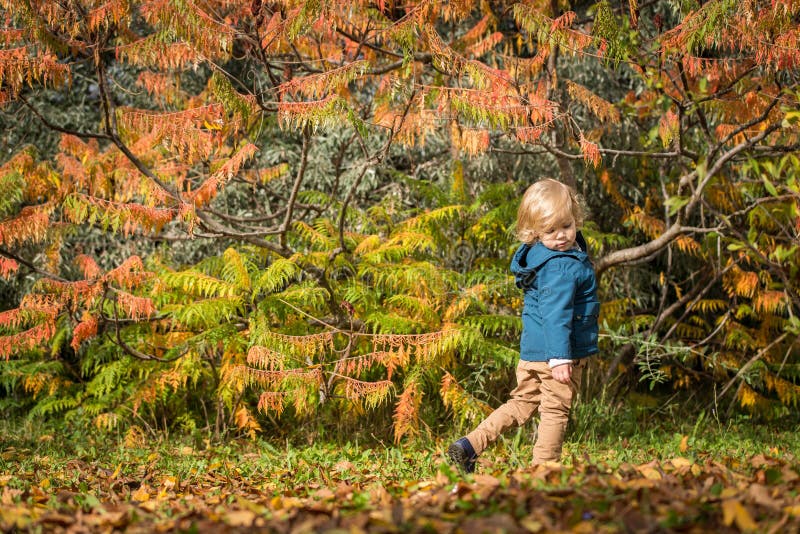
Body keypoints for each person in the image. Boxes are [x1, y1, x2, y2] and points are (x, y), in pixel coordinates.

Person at [448, 178, 600, 472]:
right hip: (555, 354)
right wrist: (560, 357)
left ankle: (470, 445)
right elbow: (556, 313)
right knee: (555, 410)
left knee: (521, 404)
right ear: (534, 231)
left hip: (531, 352)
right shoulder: (561, 266)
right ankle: (543, 473)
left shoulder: (538, 257)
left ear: (576, 219)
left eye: (566, 226)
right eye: (551, 230)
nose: (561, 236)